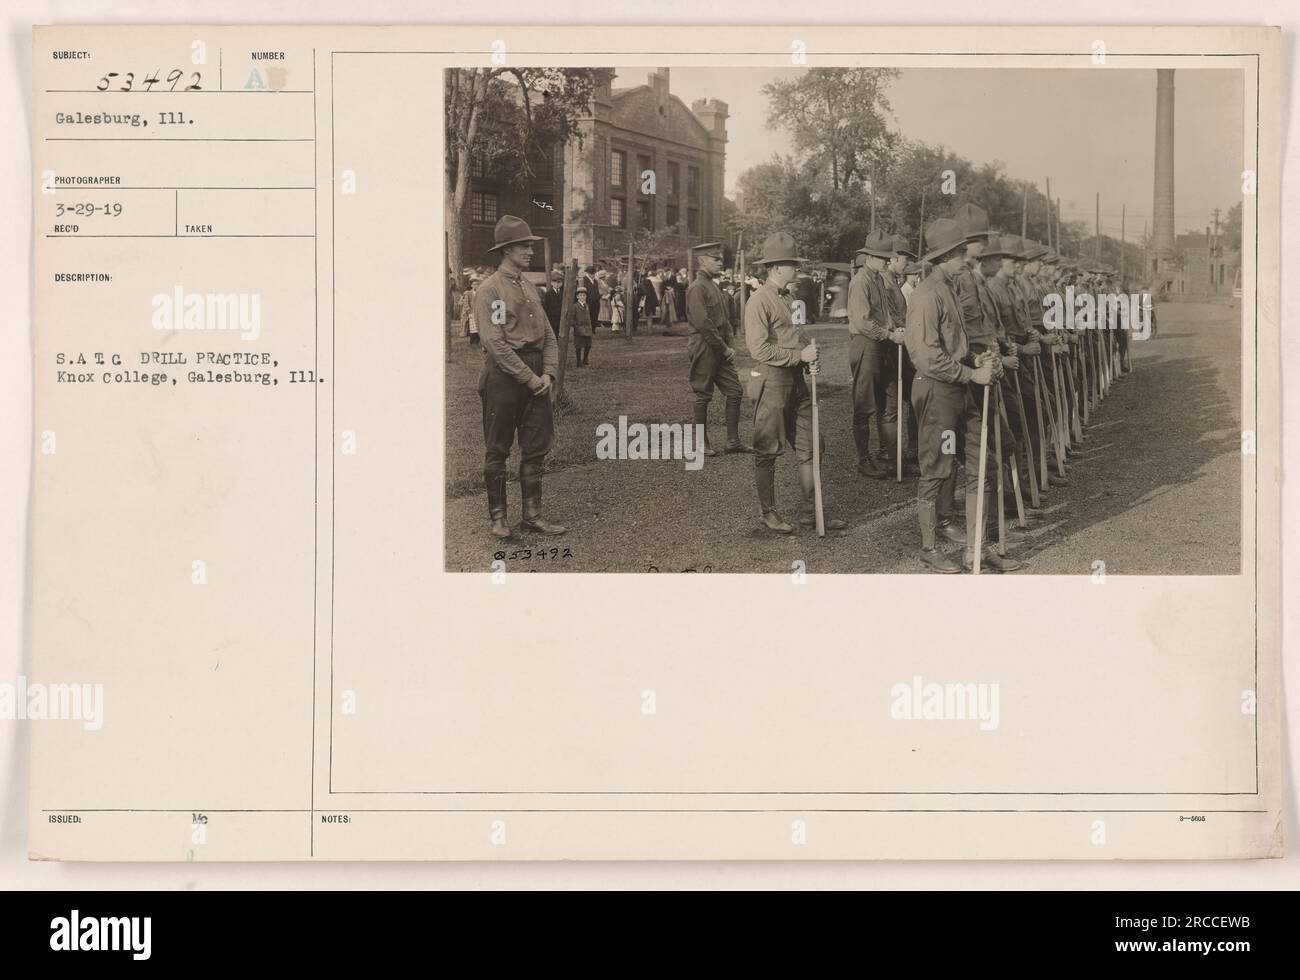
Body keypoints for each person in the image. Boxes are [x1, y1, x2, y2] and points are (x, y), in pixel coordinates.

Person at [904, 217, 1002, 573]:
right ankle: (929, 548)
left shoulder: (950, 288)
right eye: (960, 253)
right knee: (938, 469)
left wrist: (976, 359)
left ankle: (977, 548)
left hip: (961, 388)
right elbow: (926, 356)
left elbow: (954, 346)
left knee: (981, 464)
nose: (966, 258)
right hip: (938, 393)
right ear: (945, 256)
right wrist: (971, 373)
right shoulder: (927, 295)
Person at [744, 232, 847, 534]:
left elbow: (795, 337)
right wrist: (798, 356)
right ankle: (768, 513)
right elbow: (758, 350)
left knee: (811, 445)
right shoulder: (758, 301)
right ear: (777, 267)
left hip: (797, 382)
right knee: (767, 449)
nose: (797, 269)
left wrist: (808, 357)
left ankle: (811, 512)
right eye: (793, 264)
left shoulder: (788, 298)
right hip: (772, 382)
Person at [473, 215, 567, 541]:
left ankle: (533, 515)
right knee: (497, 448)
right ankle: (499, 518)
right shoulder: (491, 290)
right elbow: (495, 343)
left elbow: (548, 335)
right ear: (506, 250)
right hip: (504, 377)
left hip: (536, 374)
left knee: (536, 447)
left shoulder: (529, 287)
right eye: (524, 246)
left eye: (530, 245)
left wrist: (549, 373)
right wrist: (530, 378)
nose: (530, 251)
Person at [685, 241, 751, 456]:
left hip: (719, 346)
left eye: (720, 259)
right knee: (703, 394)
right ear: (702, 261)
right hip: (704, 346)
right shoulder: (697, 288)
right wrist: (724, 348)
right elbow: (703, 323)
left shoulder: (712, 286)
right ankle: (701, 444)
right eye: (715, 259)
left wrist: (727, 346)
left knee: (735, 391)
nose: (720, 263)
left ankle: (733, 442)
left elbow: (724, 319)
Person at [846, 230, 897, 479]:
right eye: (882, 257)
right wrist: (889, 334)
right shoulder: (860, 281)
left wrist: (893, 330)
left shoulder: (878, 279)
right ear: (869, 257)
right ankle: (863, 460)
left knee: (887, 402)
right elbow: (863, 322)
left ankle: (890, 457)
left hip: (882, 343)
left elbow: (883, 315)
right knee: (864, 404)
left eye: (888, 257)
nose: (887, 261)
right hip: (866, 344)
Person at [570, 284, 593, 366]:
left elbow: (588, 317)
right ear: (577, 296)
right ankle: (578, 361)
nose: (583, 297)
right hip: (579, 329)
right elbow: (571, 319)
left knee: (588, 345)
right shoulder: (575, 306)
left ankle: (585, 359)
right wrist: (576, 326)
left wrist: (590, 326)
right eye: (581, 295)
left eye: (584, 295)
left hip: (587, 328)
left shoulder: (586, 306)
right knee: (578, 346)